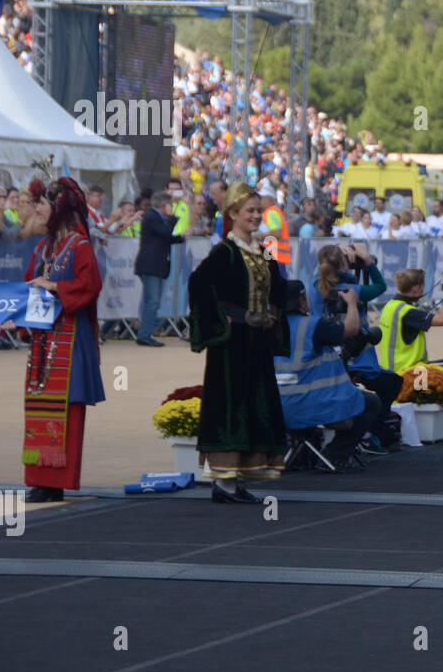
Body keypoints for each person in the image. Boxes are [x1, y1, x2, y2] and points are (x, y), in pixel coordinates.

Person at [0, 177, 105, 502]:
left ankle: (56, 480)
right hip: (45, 341)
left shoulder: (80, 245)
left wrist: (55, 286)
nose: (35, 209)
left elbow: (91, 286)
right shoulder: (43, 248)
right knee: (39, 407)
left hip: (71, 339)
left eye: (41, 204)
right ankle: (41, 478)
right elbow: (29, 287)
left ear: (58, 208)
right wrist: (13, 316)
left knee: (67, 408)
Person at [188, 182, 290, 504]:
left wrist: (274, 312)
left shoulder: (262, 250)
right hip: (233, 344)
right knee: (232, 405)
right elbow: (198, 284)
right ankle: (225, 482)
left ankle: (236, 479)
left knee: (254, 402)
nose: (257, 216)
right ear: (232, 214)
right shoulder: (225, 251)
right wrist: (222, 322)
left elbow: (278, 288)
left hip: (256, 342)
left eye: (258, 210)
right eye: (250, 211)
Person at [275, 280, 381, 465]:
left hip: (275, 407)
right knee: (371, 402)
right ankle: (334, 456)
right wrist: (351, 303)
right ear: (301, 302)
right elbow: (352, 329)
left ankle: (300, 454)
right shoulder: (313, 326)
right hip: (311, 405)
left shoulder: (270, 327)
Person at [313, 242, 402, 452]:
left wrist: (339, 260)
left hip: (326, 361)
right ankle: (371, 435)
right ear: (343, 265)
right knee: (392, 383)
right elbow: (380, 286)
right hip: (358, 362)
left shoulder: (315, 286)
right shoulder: (354, 290)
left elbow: (325, 274)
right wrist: (368, 262)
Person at [376, 268, 443, 437]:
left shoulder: (391, 306)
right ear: (416, 289)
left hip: (391, 376)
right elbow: (442, 320)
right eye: (422, 285)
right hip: (411, 377)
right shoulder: (408, 312)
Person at [134, 191, 184, 346]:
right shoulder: (151, 216)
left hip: (155, 265)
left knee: (154, 301)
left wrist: (182, 237)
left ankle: (146, 333)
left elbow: (165, 237)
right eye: (169, 205)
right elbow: (165, 232)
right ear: (164, 205)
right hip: (151, 264)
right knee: (153, 301)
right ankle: (145, 334)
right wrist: (171, 217)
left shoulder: (155, 217)